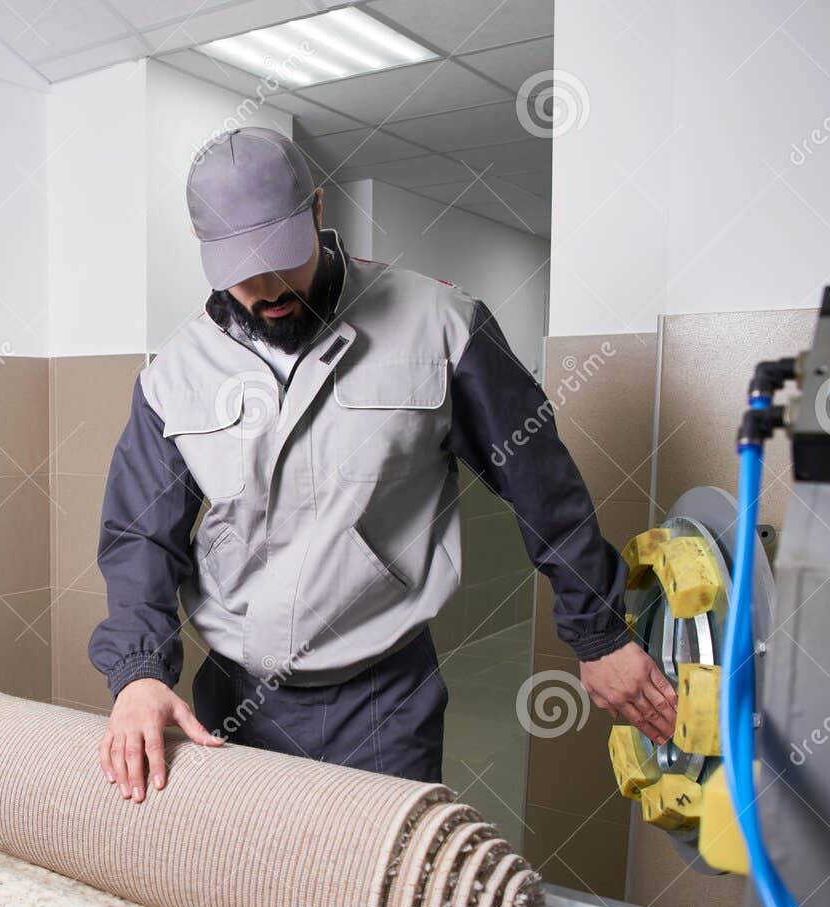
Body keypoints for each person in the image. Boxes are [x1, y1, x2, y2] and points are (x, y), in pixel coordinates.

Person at [90, 127, 675, 802]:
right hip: (232, 698)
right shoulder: (175, 374)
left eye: (283, 255)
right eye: (243, 266)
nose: (270, 285)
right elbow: (140, 535)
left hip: (384, 703)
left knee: (376, 896)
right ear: (204, 251)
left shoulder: (441, 325)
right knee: (240, 893)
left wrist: (597, 631)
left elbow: (542, 485)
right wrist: (138, 672)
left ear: (317, 210)